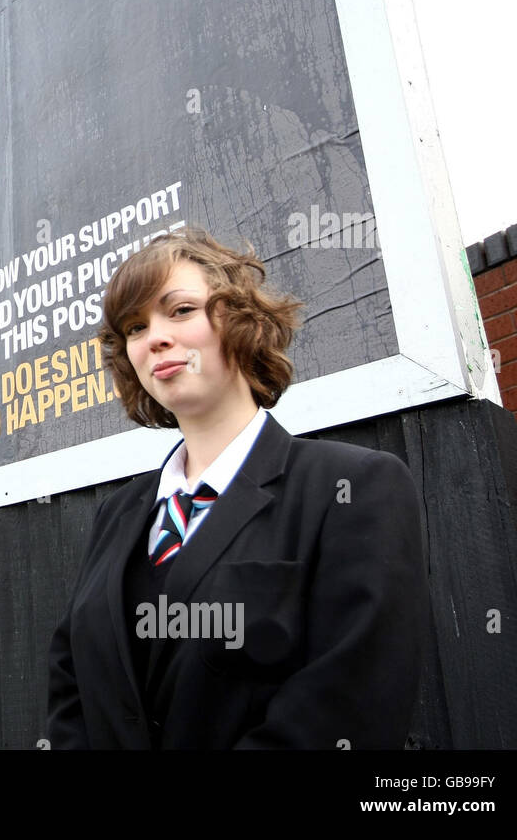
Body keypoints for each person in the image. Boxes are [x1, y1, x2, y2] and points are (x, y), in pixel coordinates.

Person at [47, 227, 427, 749]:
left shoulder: (354, 487)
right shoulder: (118, 515)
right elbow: (72, 690)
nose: (154, 337)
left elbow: (349, 707)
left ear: (240, 320)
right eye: (135, 326)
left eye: (180, 310)